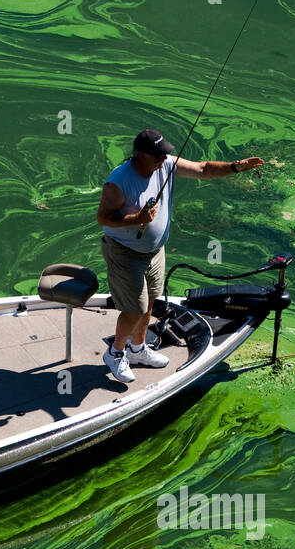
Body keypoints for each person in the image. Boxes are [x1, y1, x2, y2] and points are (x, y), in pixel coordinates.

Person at [96, 129, 263, 383]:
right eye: (158, 155)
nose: (164, 159)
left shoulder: (165, 166)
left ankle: (138, 349)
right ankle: (115, 352)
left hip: (154, 251)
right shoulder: (118, 181)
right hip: (125, 251)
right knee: (134, 309)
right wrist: (136, 218)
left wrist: (235, 167)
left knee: (150, 301)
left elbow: (204, 169)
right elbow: (104, 218)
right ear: (141, 155)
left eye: (165, 155)